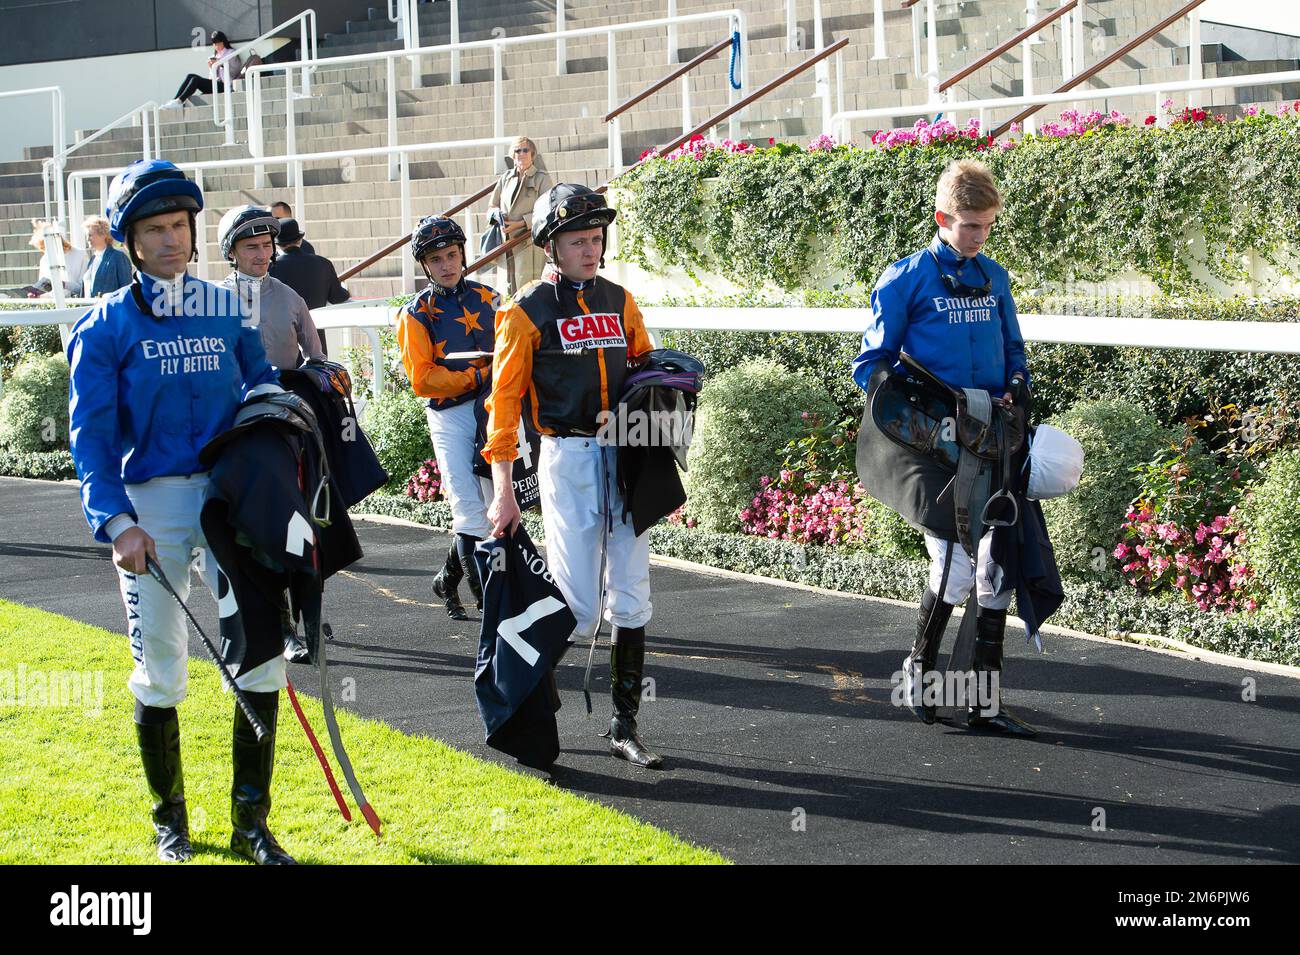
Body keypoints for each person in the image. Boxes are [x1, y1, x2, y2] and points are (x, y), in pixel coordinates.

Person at [65, 158, 297, 863]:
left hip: (231, 498)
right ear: (130, 241)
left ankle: (251, 825)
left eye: (179, 226)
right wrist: (116, 522)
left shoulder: (228, 309)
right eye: (154, 229)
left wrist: (296, 397)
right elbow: (92, 440)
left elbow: (259, 384)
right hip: (151, 507)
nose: (170, 240)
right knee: (162, 669)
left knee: (261, 661)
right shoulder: (103, 328)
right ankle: (172, 824)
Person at [851, 158, 1034, 736]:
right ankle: (919, 676)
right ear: (941, 218)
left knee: (996, 569)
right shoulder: (903, 279)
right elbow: (871, 369)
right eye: (969, 225)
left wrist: (1018, 389)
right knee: (954, 567)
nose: (979, 237)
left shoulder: (995, 276)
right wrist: (926, 427)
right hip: (931, 443)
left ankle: (984, 702)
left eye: (986, 226)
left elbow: (1013, 350)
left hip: (992, 438)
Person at [483, 184, 663, 769]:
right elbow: (503, 404)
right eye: (578, 241)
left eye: (596, 238)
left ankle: (624, 725)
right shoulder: (524, 310)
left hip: (628, 452)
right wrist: (505, 491)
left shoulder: (621, 300)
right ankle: (526, 702)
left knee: (632, 597)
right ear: (551, 247)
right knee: (580, 606)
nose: (590, 249)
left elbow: (644, 371)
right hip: (567, 459)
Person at [396, 216, 497, 620]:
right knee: (468, 507)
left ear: (462, 254)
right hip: (450, 415)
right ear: (425, 266)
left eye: (452, 255)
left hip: (492, 409)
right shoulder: (416, 312)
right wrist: (475, 375)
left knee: (493, 506)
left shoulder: (491, 298)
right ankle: (490, 606)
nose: (447, 265)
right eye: (436, 259)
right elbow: (422, 379)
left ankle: (446, 578)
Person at [217, 205, 325, 372]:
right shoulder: (214, 301)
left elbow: (317, 360)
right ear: (231, 252)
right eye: (252, 247)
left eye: (267, 245)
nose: (262, 255)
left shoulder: (291, 298)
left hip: (282, 394)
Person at [269, 217, 348, 355]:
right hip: (317, 339)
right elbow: (338, 297)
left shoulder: (271, 268)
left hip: (285, 341)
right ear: (300, 240)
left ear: (277, 244)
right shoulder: (323, 263)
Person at [487, 137, 553, 297]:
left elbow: (549, 209)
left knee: (530, 292)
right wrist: (497, 215)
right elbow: (491, 206)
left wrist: (521, 223)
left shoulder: (542, 177)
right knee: (507, 293)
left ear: (532, 154)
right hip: (507, 243)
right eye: (517, 150)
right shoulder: (506, 178)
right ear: (512, 154)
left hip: (528, 242)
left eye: (525, 150)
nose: (521, 154)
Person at [163, 31, 241, 109]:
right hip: (216, 84)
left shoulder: (231, 53)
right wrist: (211, 68)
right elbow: (211, 78)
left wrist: (220, 64)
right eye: (214, 44)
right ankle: (174, 101)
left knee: (196, 80)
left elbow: (235, 71)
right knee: (190, 76)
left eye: (218, 43)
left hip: (226, 85)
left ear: (223, 42)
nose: (216, 46)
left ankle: (179, 101)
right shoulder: (215, 56)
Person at [26, 219, 87, 298]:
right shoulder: (44, 259)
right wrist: (36, 295)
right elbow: (44, 291)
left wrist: (64, 284)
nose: (45, 250)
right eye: (43, 248)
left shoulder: (80, 254)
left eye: (45, 246)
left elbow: (83, 288)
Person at [81, 215, 132, 298]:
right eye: (87, 236)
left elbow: (126, 288)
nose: (87, 239)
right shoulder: (92, 259)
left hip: (110, 309)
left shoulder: (118, 257)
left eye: (90, 235)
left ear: (103, 235)